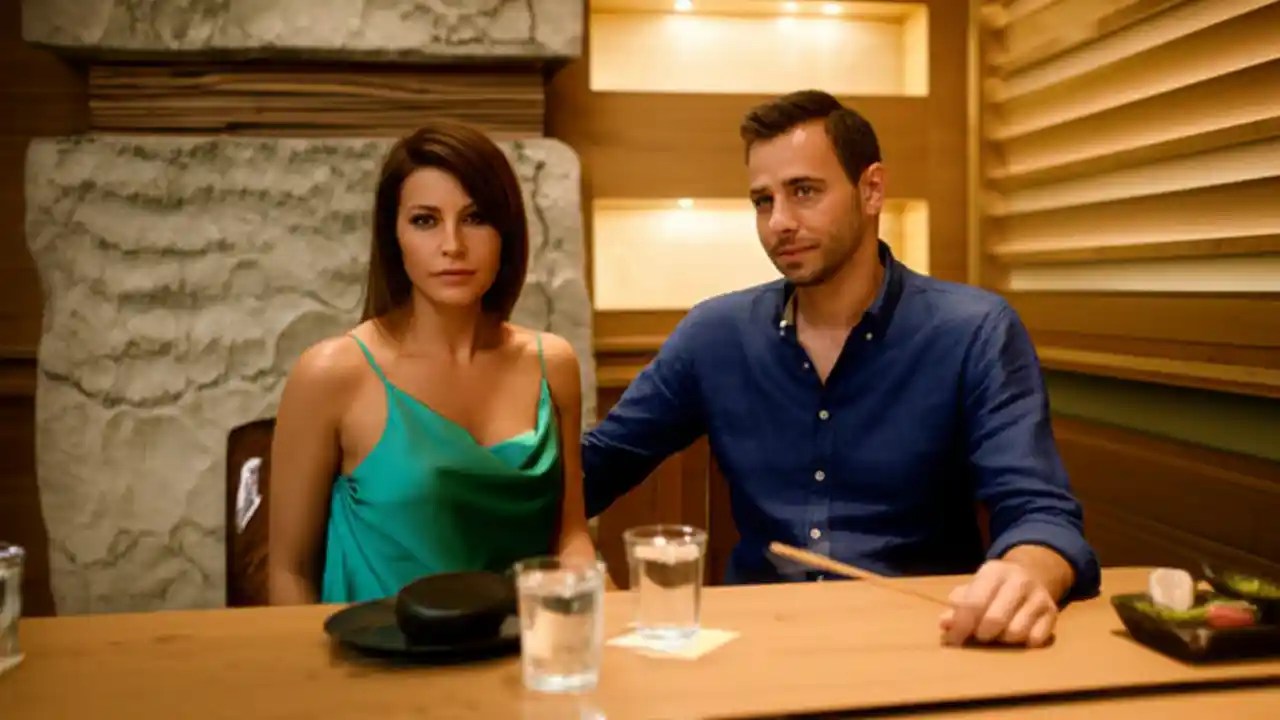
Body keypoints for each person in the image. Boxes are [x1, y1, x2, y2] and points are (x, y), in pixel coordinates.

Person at [582, 90, 1100, 648]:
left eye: (804, 192)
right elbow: (591, 472)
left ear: (871, 189)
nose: (779, 222)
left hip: (927, 639)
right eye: (762, 201)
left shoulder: (973, 330)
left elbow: (1040, 512)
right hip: (757, 644)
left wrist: (1025, 574)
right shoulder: (716, 334)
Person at [267, 121, 596, 605]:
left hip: (519, 659)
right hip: (376, 666)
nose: (453, 246)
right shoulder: (332, 374)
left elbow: (569, 537)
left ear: (505, 232)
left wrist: (606, 610)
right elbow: (289, 573)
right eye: (425, 220)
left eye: (475, 217)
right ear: (393, 236)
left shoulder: (553, 364)